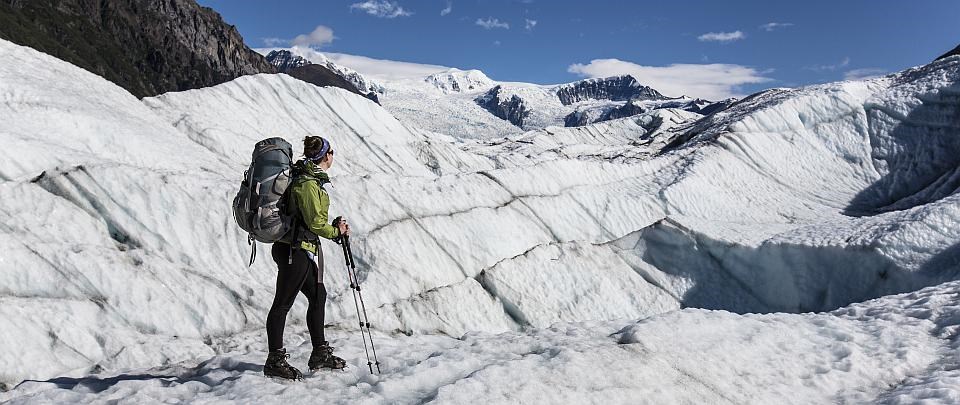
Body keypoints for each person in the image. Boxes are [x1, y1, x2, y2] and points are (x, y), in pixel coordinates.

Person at [263, 135, 350, 380]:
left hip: (295, 248)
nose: (333, 156)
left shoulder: (309, 180)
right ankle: (275, 360)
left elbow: (310, 219)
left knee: (318, 295)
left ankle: (319, 352)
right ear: (326, 156)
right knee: (282, 304)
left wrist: (332, 229)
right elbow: (315, 222)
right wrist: (336, 232)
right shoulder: (308, 184)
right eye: (331, 152)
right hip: (294, 251)